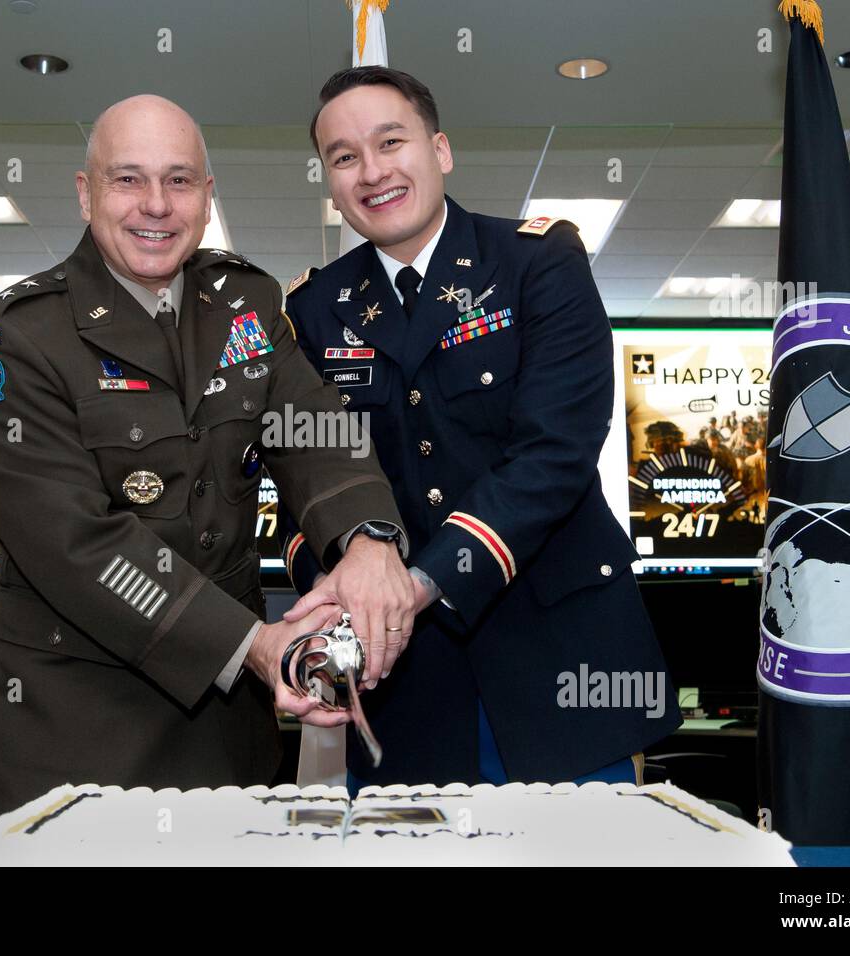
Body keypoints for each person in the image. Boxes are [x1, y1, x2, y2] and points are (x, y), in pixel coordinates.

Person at [0, 95, 416, 824]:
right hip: (70, 743)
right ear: (86, 193)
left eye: (179, 180)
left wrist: (368, 542)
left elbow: (314, 428)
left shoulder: (248, 305)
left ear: (207, 195)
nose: (156, 206)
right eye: (128, 180)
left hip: (225, 743)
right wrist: (255, 645)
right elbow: (78, 547)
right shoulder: (12, 341)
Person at [281, 67, 680, 789]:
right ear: (330, 181)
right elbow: (301, 485)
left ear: (440, 149)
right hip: (401, 681)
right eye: (343, 157)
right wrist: (338, 583)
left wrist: (420, 583)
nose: (371, 172)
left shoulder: (537, 262)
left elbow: (553, 457)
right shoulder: (313, 309)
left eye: (390, 142)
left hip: (560, 662)